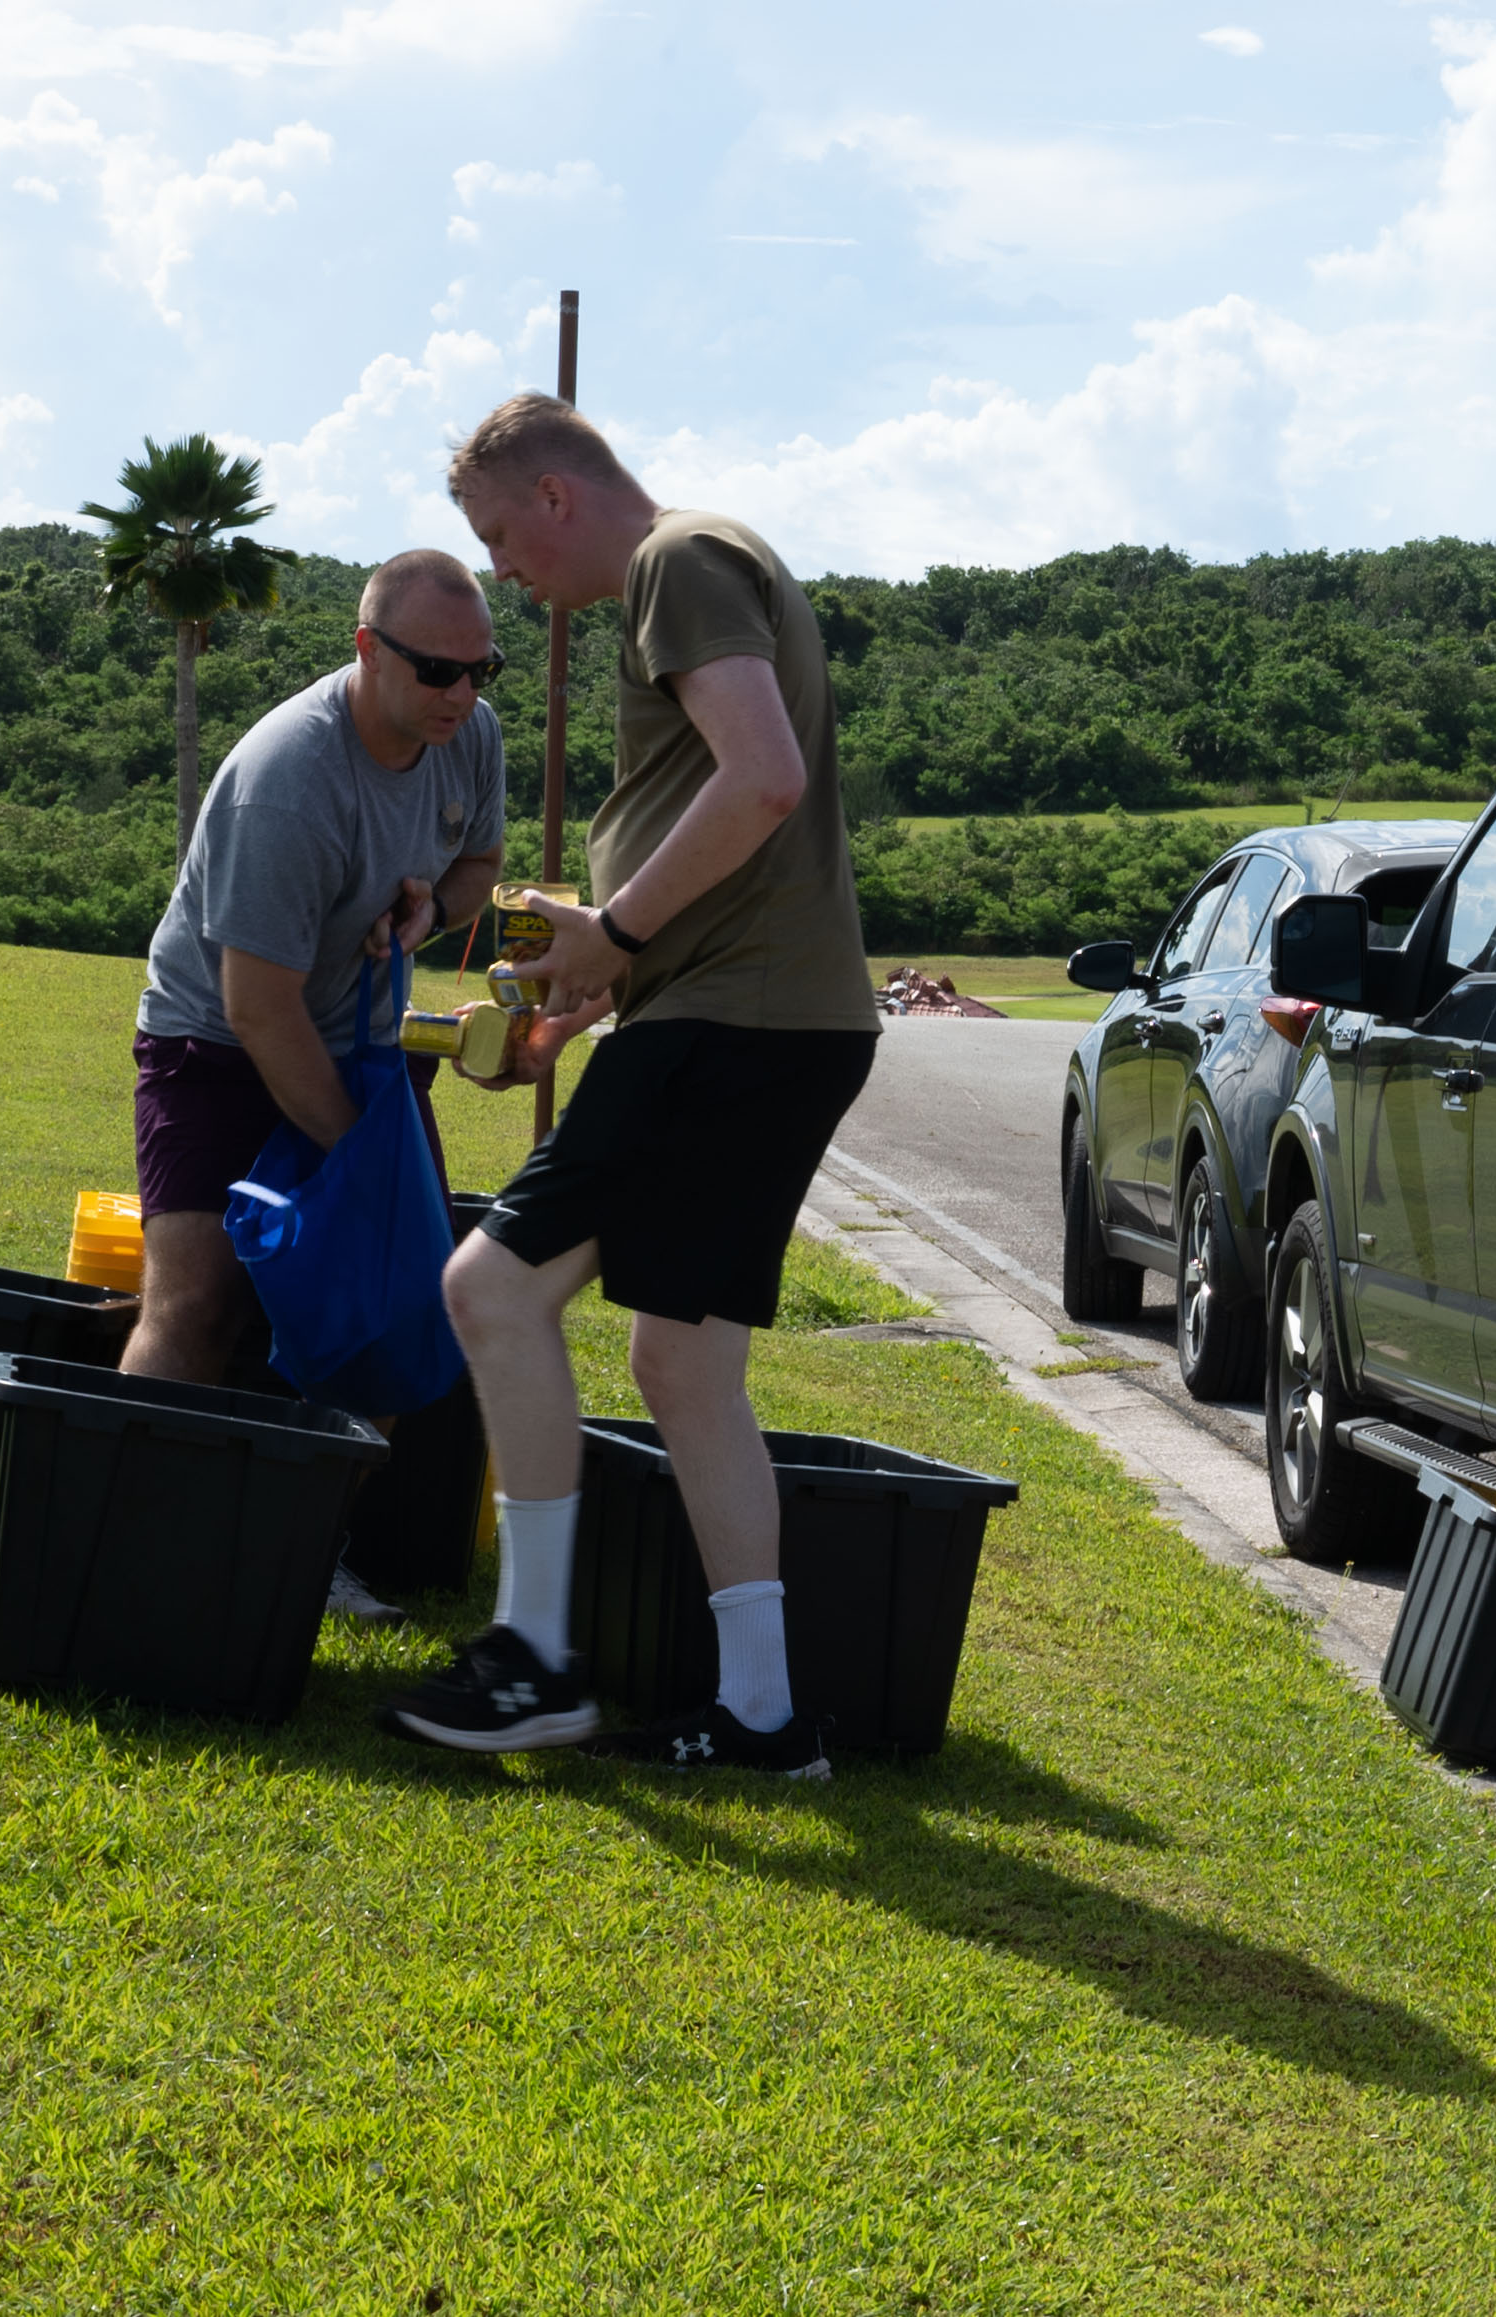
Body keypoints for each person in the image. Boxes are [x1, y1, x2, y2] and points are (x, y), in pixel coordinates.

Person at [375, 393, 878, 1775]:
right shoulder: (716, 559)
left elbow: (761, 778)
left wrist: (623, 935)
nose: (513, 583)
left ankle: (535, 1656)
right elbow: (727, 813)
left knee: (489, 1285)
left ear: (552, 495)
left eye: (500, 540)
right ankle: (766, 1718)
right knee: (682, 1361)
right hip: (755, 1016)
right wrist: (591, 973)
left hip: (734, 1022)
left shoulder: (676, 561)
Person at [125, 548, 509, 1623]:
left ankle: (304, 1546)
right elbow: (256, 1008)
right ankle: (125, 1523)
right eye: (435, 670)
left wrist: (430, 906)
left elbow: (479, 863)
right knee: (195, 1298)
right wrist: (358, 1163)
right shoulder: (289, 775)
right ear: (365, 650)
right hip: (213, 1045)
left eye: (482, 669)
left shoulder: (467, 734)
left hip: (363, 1042)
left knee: (386, 1303)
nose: (461, 694)